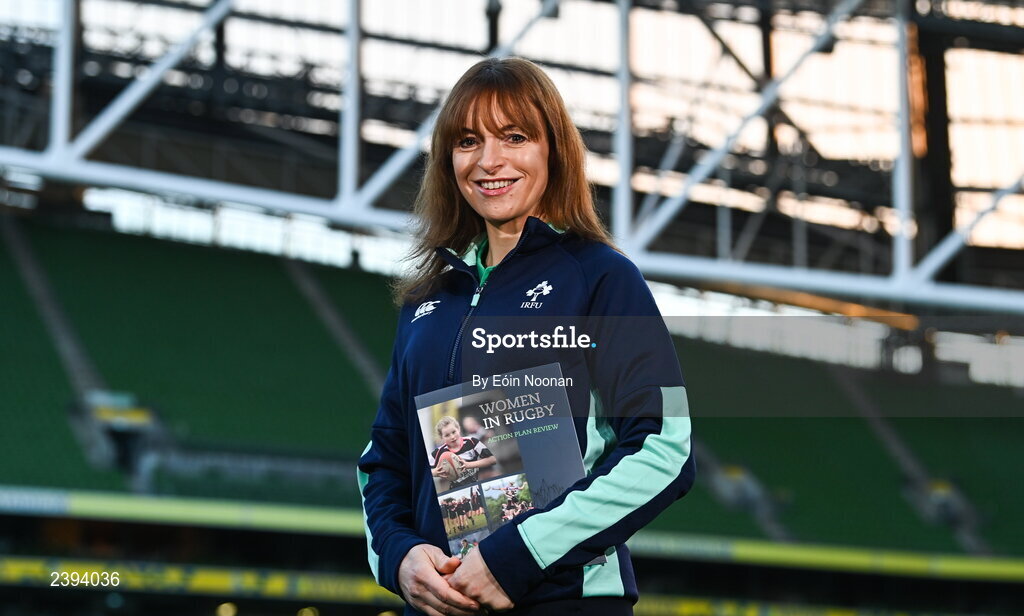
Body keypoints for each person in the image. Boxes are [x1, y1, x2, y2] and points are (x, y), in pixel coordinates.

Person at [357, 57, 695, 616]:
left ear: (552, 150)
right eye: (468, 141)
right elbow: (384, 458)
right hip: (445, 603)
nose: (490, 161)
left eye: (514, 137)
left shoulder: (603, 278)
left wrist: (517, 556)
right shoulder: (427, 302)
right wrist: (399, 555)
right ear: (448, 160)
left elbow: (665, 448)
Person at [429, 416, 497, 490]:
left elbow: (492, 460)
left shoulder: (471, 441)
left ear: (458, 429)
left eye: (454, 432)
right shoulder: (439, 452)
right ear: (442, 437)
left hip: (475, 485)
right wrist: (434, 472)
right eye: (447, 435)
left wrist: (468, 465)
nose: (452, 437)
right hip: (456, 491)